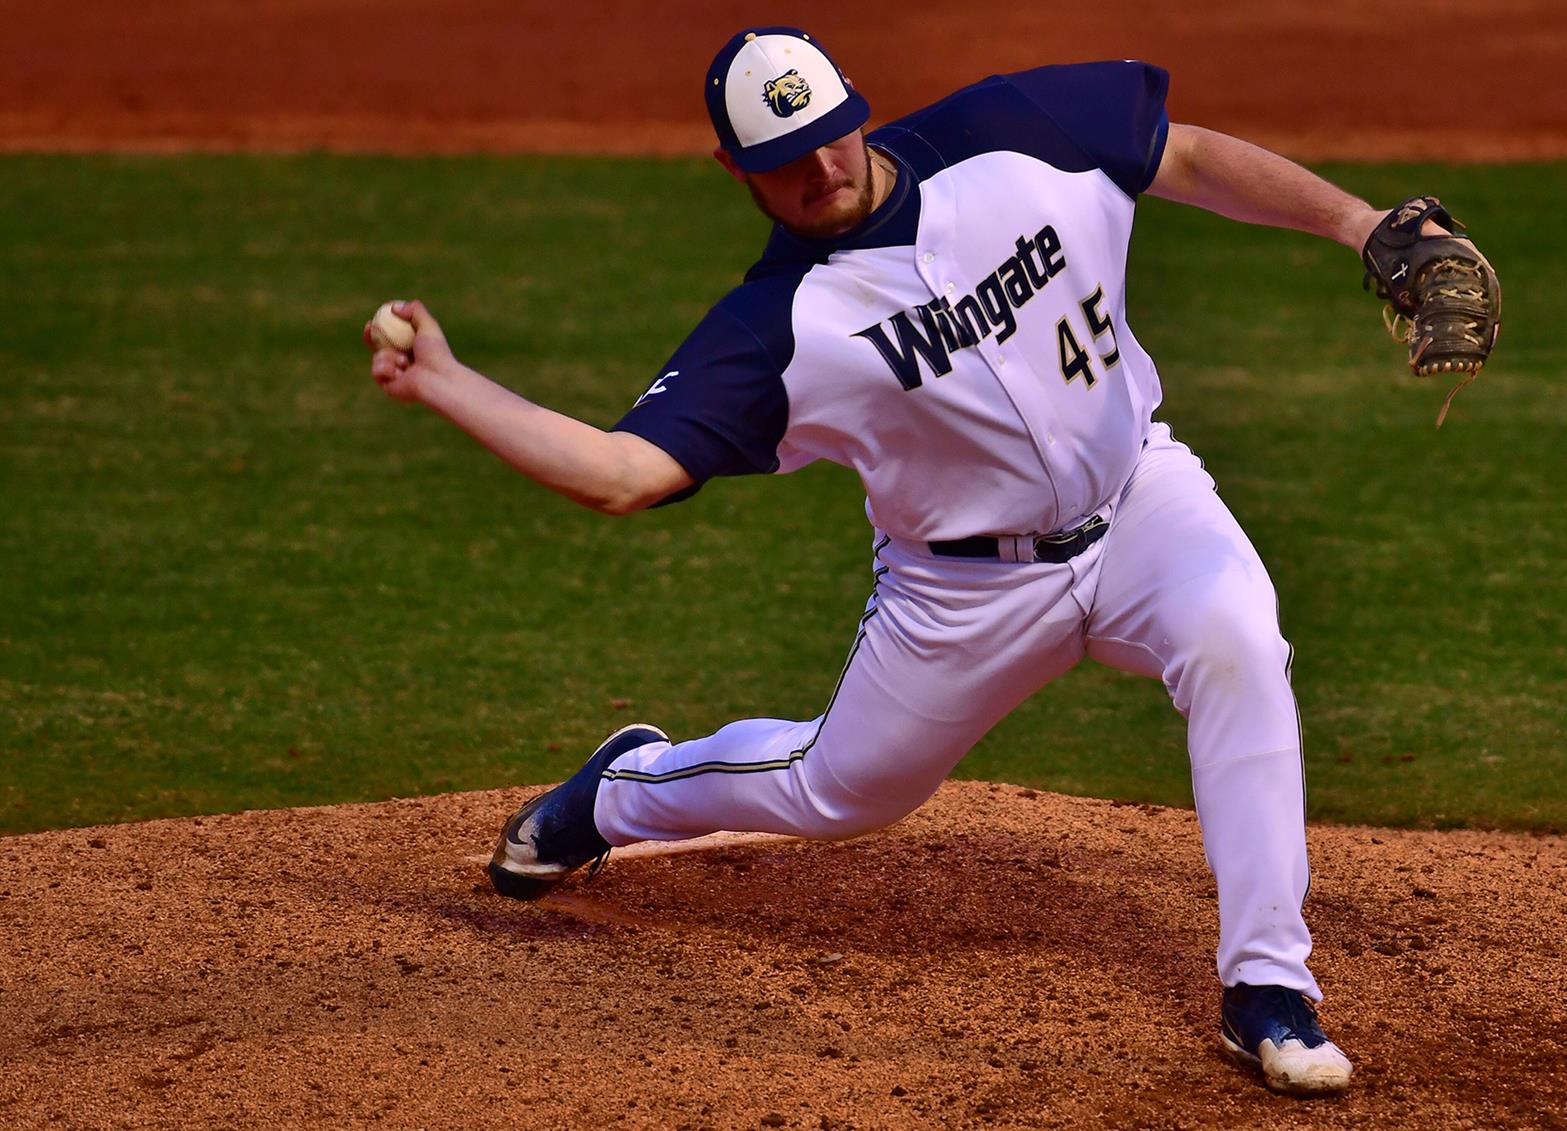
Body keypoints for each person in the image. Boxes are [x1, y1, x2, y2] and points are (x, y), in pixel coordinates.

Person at [364, 26, 1442, 1097]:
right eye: (785, 159)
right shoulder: (778, 326)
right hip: (962, 591)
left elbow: (1186, 155)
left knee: (1237, 640)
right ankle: (618, 793)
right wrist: (449, 385)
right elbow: (619, 471)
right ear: (734, 170)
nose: (821, 167)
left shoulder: (1013, 127)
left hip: (1142, 501)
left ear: (858, 107)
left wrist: (1359, 225)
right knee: (837, 789)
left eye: (831, 134)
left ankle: (1267, 984)